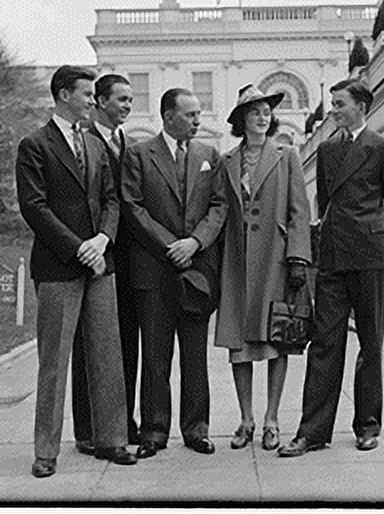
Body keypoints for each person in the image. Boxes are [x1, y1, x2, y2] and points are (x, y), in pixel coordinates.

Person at [16, 65, 137, 477]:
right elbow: (35, 207)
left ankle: (113, 440)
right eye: (86, 93)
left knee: (107, 353)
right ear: (64, 94)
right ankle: (46, 451)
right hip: (58, 267)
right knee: (55, 361)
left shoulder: (95, 144)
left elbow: (111, 200)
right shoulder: (34, 145)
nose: (92, 100)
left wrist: (102, 239)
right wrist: (78, 247)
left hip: (101, 264)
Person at [279, 78, 384, 458]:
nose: (333, 110)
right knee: (324, 343)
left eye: (340, 104)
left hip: (371, 257)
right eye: (333, 104)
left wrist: (381, 240)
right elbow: (325, 204)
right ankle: (311, 432)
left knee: (371, 344)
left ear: (361, 107)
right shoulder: (327, 149)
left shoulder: (383, 148)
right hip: (334, 258)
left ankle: (368, 426)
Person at [121, 88, 228, 458]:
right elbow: (132, 207)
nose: (199, 120)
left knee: (195, 357)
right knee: (155, 356)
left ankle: (197, 430)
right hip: (153, 272)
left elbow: (219, 206)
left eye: (199, 114)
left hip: (197, 273)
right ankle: (153, 432)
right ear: (168, 117)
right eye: (191, 114)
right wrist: (172, 245)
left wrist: (194, 243)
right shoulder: (137, 155)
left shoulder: (209, 156)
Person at [214, 85, 311, 451]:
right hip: (237, 263)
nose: (262, 115)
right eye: (254, 111)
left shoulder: (287, 156)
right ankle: (246, 420)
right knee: (239, 343)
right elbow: (220, 211)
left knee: (276, 339)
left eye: (266, 110)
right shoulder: (227, 161)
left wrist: (299, 257)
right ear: (242, 119)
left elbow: (300, 211)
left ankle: (272, 420)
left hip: (276, 259)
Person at [71, 74, 142, 453]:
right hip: (94, 256)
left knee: (127, 343)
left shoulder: (127, 143)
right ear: (99, 101)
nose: (128, 106)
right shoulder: (83, 141)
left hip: (128, 261)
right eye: (121, 99)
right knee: (88, 347)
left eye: (131, 100)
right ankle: (86, 429)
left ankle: (123, 421)